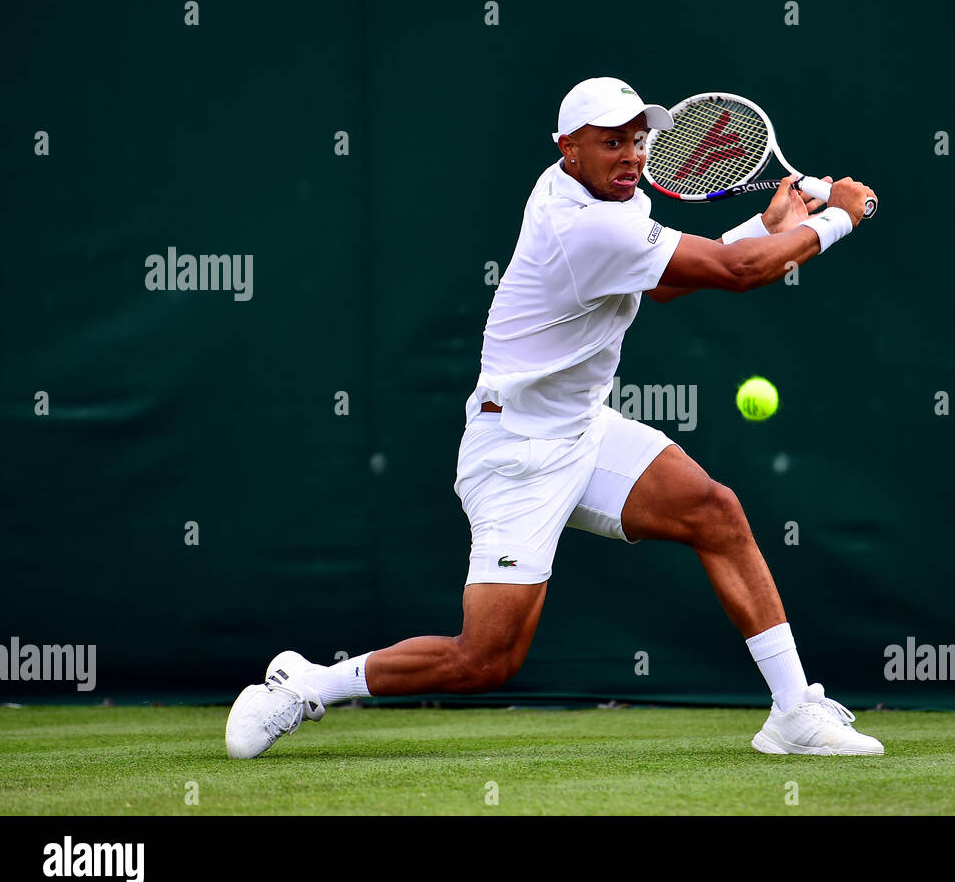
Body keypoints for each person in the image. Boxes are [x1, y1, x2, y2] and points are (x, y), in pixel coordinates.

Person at [226, 77, 882, 759]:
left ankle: (793, 711)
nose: (631, 155)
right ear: (568, 149)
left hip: (580, 428)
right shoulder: (584, 224)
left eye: (637, 138)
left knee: (714, 511)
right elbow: (737, 272)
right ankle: (306, 685)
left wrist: (768, 228)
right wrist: (836, 217)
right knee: (485, 659)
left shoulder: (601, 194)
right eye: (610, 143)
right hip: (515, 452)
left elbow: (661, 281)